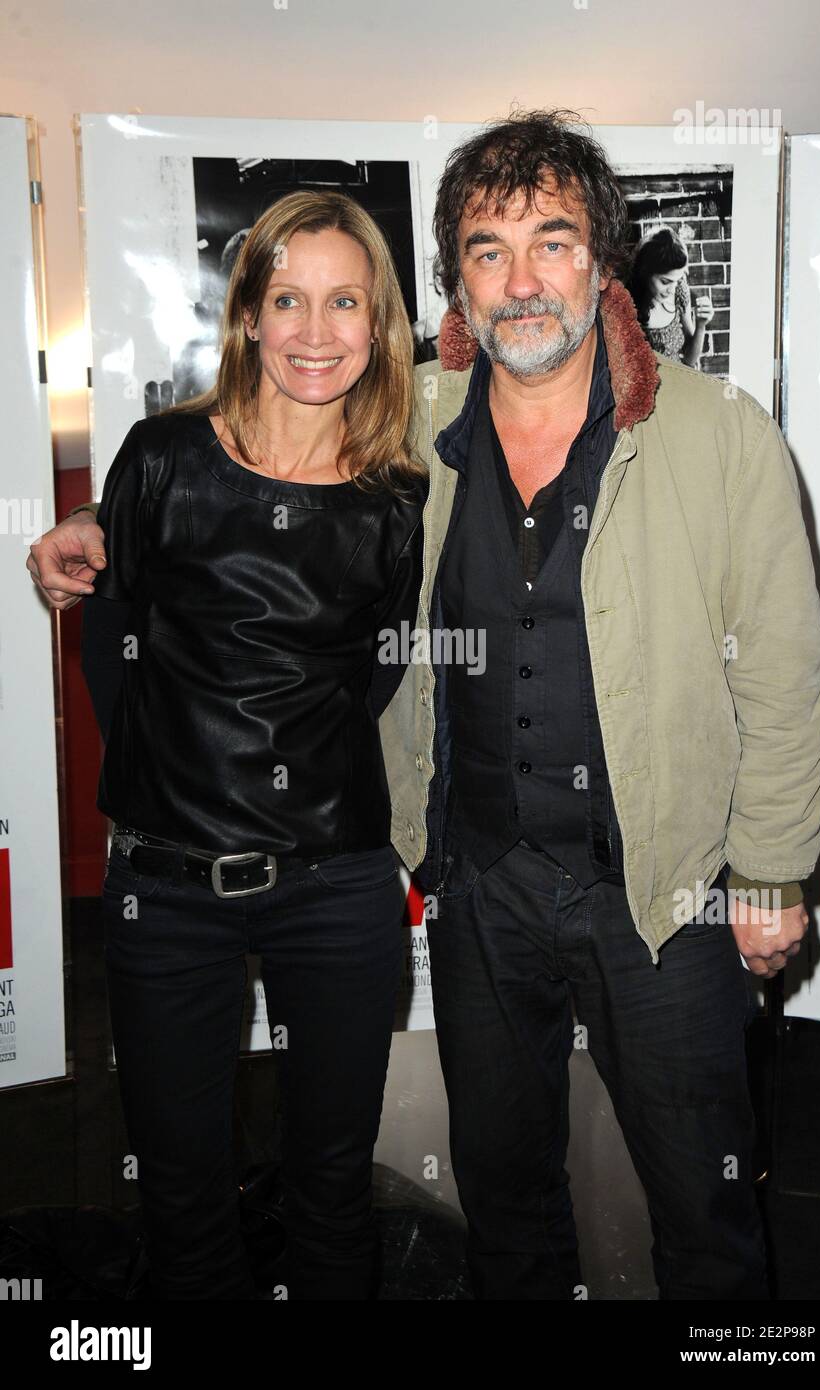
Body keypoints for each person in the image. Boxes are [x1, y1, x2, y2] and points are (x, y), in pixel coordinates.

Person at [31, 109, 820, 1303]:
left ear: (601, 259)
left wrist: (769, 873)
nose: (522, 281)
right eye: (489, 250)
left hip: (665, 888)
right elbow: (254, 461)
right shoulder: (405, 420)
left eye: (552, 243)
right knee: (502, 1197)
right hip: (479, 886)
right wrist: (100, 525)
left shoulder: (717, 436)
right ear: (453, 277)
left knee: (702, 1211)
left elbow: (778, 661)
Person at [33, 189, 426, 1300]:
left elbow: (374, 672)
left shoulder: (398, 498)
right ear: (247, 312)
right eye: (287, 298)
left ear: (378, 320)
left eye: (343, 301)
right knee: (182, 1197)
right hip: (168, 891)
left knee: (331, 1190)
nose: (314, 329)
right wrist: (172, 791)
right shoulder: (160, 458)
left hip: (337, 885)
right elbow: (112, 643)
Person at [626, 224, 714, 367]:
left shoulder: (679, 290)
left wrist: (701, 325)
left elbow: (689, 360)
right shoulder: (626, 303)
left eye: (677, 280)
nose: (672, 289)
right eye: (665, 281)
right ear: (645, 273)